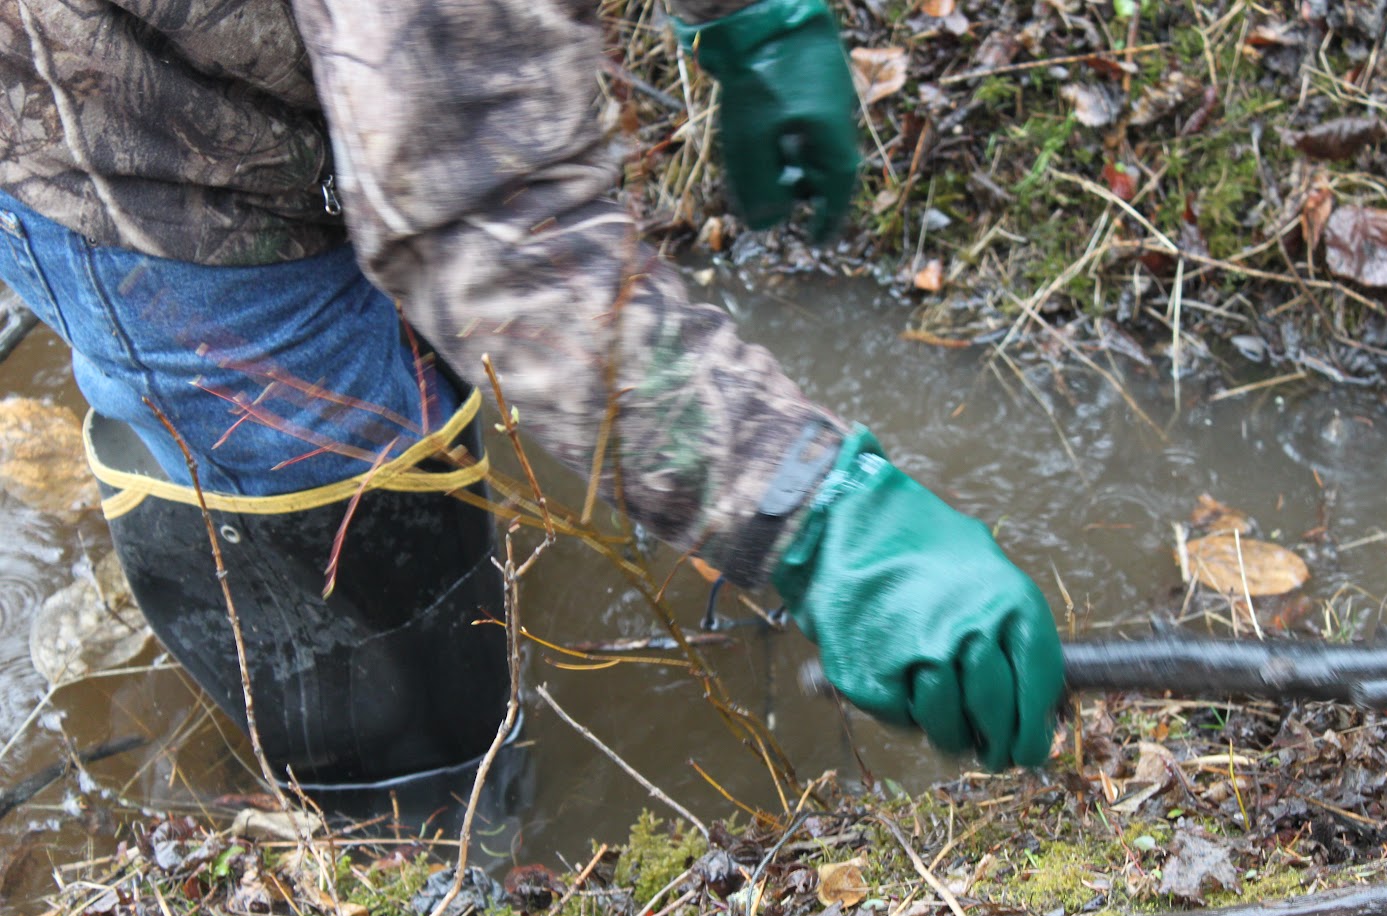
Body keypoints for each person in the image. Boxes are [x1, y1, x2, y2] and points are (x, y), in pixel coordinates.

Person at [0, 0, 1064, 793]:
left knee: (442, 383)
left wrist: (752, 16)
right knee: (383, 655)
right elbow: (497, 232)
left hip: (321, 62)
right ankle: (415, 853)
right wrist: (821, 515)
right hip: (144, 155)